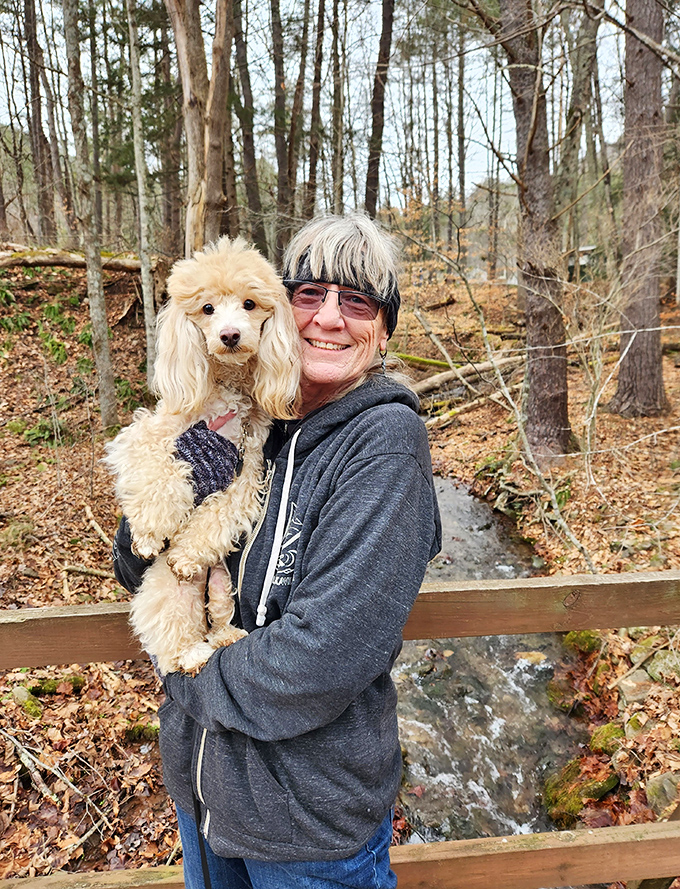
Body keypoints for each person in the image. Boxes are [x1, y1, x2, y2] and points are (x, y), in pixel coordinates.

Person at [113, 213, 442, 889]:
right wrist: (164, 500)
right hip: (207, 797)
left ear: (382, 330)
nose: (328, 318)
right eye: (310, 294)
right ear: (279, 310)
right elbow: (133, 565)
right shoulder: (252, 415)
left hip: (307, 831)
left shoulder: (382, 445)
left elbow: (324, 655)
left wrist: (182, 677)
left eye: (356, 302)